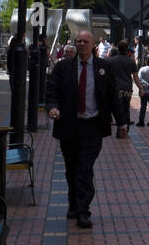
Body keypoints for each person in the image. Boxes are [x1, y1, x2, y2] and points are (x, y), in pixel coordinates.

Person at [46, 31, 115, 228]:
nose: (82, 44)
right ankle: (74, 204)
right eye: (79, 41)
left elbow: (111, 94)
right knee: (71, 168)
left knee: (84, 169)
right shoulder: (63, 67)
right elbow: (52, 90)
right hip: (69, 125)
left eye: (86, 41)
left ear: (93, 44)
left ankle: (84, 211)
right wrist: (53, 107)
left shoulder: (103, 67)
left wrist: (122, 122)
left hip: (92, 126)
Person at [107, 40, 138, 139]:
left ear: (118, 48)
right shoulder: (131, 61)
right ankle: (125, 130)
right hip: (127, 89)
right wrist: (141, 89)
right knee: (126, 109)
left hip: (115, 89)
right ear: (127, 49)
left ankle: (119, 130)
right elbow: (136, 77)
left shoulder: (110, 60)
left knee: (117, 109)